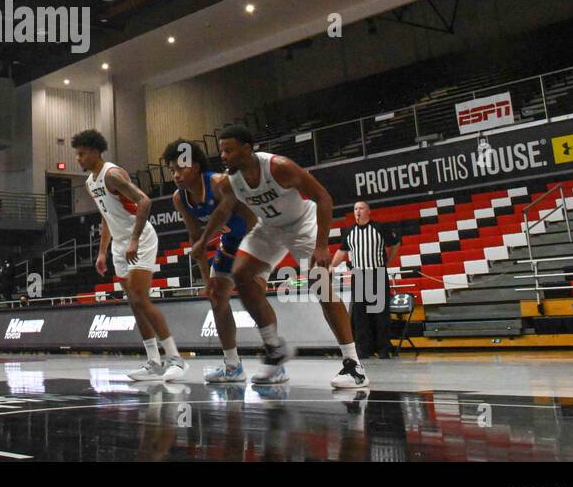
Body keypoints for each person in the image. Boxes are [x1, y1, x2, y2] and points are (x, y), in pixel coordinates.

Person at [201, 126, 368, 390]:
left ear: (247, 149)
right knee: (241, 275)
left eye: (228, 150)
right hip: (270, 228)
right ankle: (274, 348)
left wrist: (322, 245)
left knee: (321, 287)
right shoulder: (229, 181)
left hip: (302, 225)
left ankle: (354, 364)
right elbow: (225, 210)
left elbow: (323, 197)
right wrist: (202, 241)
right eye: (221, 150)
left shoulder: (279, 167)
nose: (223, 156)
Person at [72, 128, 186, 382]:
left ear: (93, 151)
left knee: (141, 298)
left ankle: (175, 358)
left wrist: (134, 238)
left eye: (80, 154)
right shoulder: (91, 182)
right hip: (119, 244)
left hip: (141, 238)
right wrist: (102, 252)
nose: (77, 159)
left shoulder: (112, 174)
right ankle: (154, 362)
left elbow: (145, 201)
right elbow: (106, 215)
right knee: (134, 303)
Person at [163, 139, 251, 384]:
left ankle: (275, 361)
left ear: (198, 167)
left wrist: (259, 252)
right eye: (172, 171)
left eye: (181, 168)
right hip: (231, 240)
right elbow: (195, 239)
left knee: (253, 294)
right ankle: (233, 365)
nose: (176, 175)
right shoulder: (179, 198)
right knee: (217, 298)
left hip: (255, 237)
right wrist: (205, 279)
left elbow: (251, 216)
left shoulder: (218, 182)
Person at [329, 201, 402, 359]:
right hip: (359, 275)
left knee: (380, 313)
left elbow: (395, 245)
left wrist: (387, 263)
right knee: (360, 314)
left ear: (368, 211)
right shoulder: (349, 231)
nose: (358, 211)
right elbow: (342, 251)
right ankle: (363, 349)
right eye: (355, 208)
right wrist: (330, 266)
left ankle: (383, 349)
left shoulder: (380, 228)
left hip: (377, 273)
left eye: (361, 208)